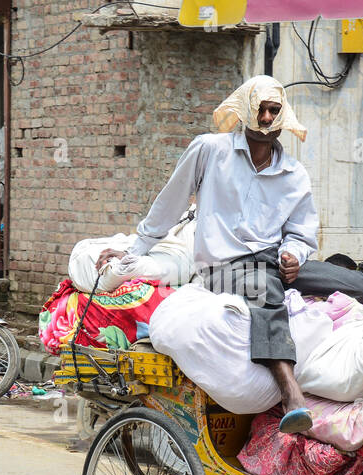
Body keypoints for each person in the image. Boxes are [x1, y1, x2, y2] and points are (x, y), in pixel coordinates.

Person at [95, 75, 319, 433]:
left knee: (359, 283)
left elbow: (302, 234)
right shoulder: (210, 150)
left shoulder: (295, 174)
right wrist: (133, 251)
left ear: (283, 115)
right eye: (259, 109)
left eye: (273, 110)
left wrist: (295, 254)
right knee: (265, 291)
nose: (265, 118)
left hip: (273, 261)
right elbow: (169, 204)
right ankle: (291, 393)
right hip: (222, 267)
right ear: (244, 111)